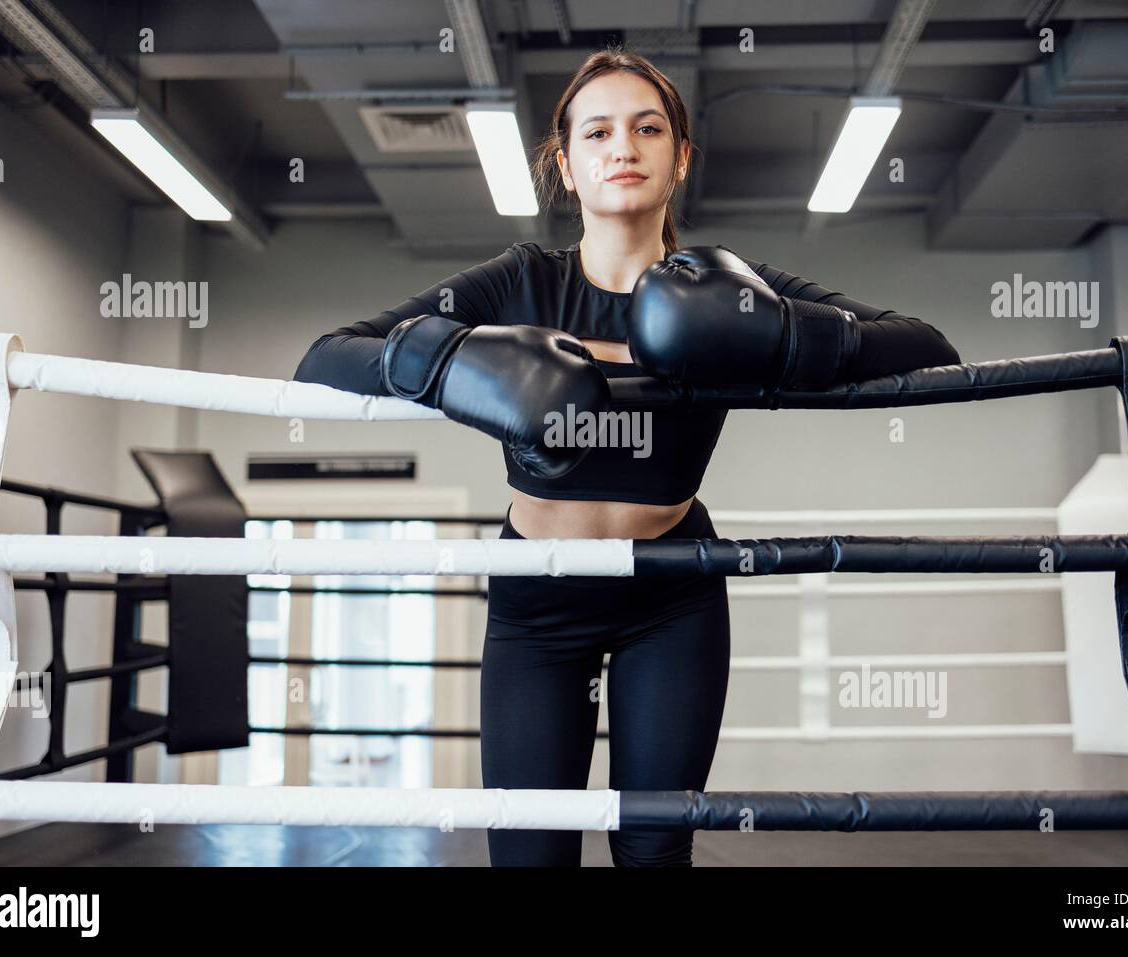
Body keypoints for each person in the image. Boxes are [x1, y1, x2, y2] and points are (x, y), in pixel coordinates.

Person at [292, 46, 961, 867]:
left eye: (648, 129)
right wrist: (456, 361)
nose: (623, 147)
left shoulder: (731, 288)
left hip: (671, 596)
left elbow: (930, 346)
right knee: (531, 851)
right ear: (566, 165)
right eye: (598, 131)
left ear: (679, 158)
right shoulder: (519, 283)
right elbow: (327, 356)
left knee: (653, 846)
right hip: (539, 599)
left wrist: (781, 334)